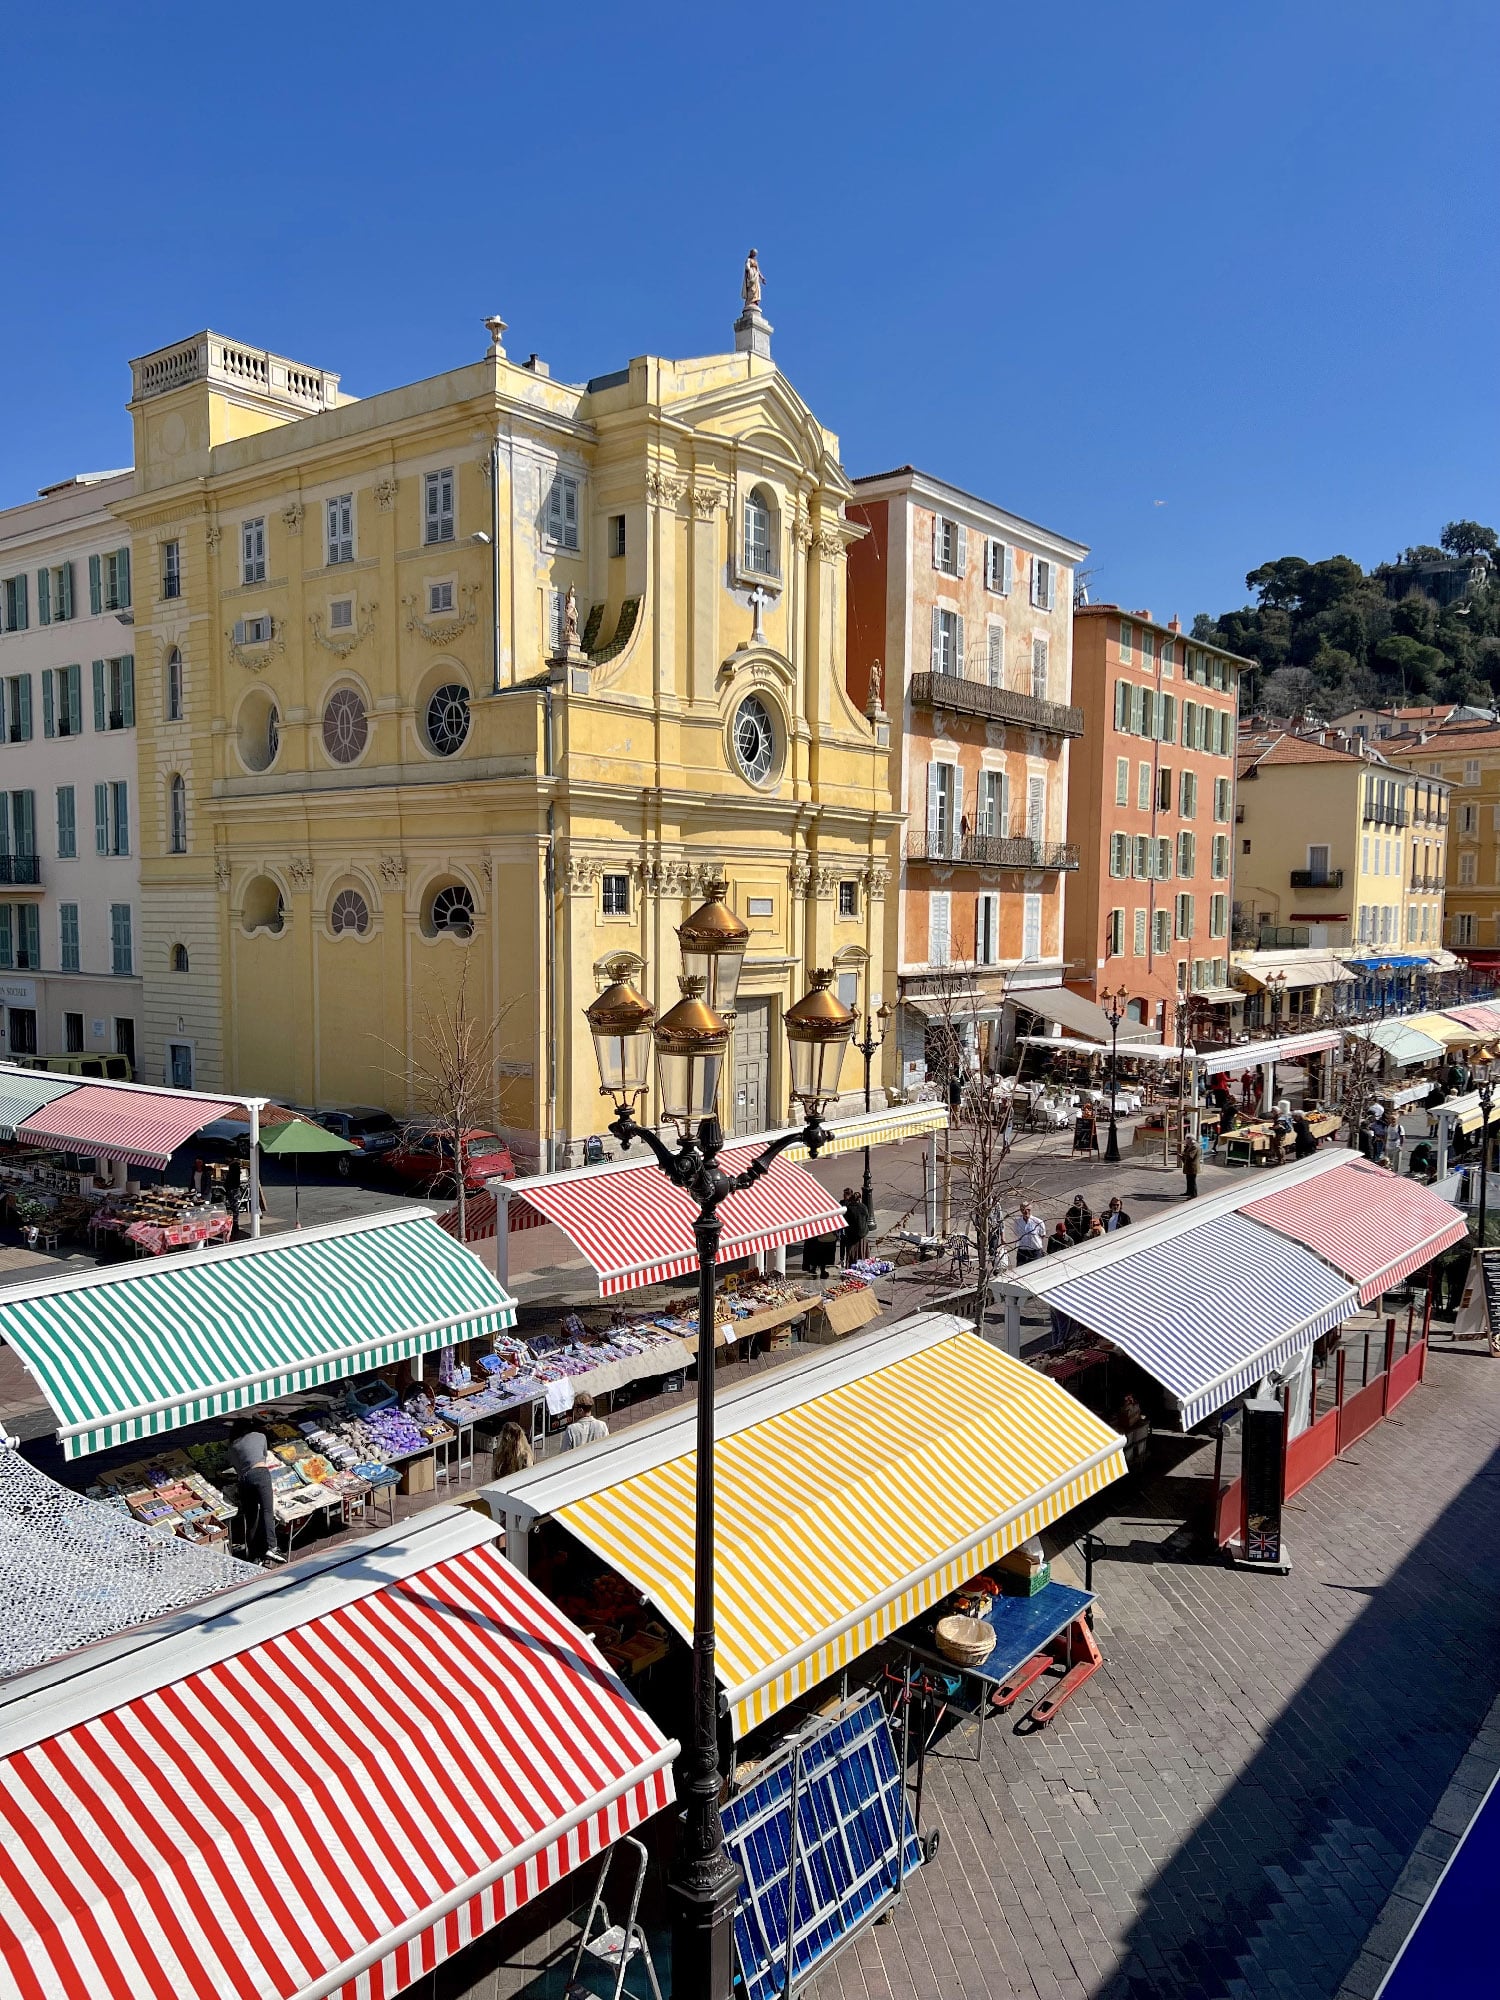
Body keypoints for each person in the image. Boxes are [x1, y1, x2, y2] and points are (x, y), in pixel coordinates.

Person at [227, 1418, 279, 1565]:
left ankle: (254, 1555)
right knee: (267, 1510)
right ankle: (271, 1547)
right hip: (261, 1473)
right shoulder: (260, 1436)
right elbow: (263, 1455)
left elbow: (236, 1467)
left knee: (251, 1518)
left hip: (244, 1479)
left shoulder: (233, 1445)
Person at [840, 1187, 872, 1264]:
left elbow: (846, 1220)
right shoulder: (863, 1207)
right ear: (859, 1199)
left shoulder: (849, 1208)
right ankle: (863, 1264)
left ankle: (849, 1263)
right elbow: (867, 1217)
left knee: (852, 1253)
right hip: (862, 1235)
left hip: (852, 1236)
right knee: (862, 1253)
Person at [1013, 1201, 1046, 1266]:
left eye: (1028, 1210)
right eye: (1023, 1210)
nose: (1026, 1212)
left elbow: (1042, 1235)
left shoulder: (1038, 1222)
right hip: (1022, 1252)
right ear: (1021, 1210)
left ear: (1031, 1209)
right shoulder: (1017, 1222)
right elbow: (1017, 1234)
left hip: (1035, 1252)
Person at [1180, 1131, 1200, 1199]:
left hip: (1192, 1167)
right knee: (1188, 1180)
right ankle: (1188, 1192)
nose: (1186, 1142)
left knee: (1192, 1181)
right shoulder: (1190, 1146)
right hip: (1188, 1166)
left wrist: (1183, 1155)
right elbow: (1186, 1153)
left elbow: (1190, 1156)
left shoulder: (1195, 1146)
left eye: (1187, 1141)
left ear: (1191, 1140)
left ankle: (1194, 1194)